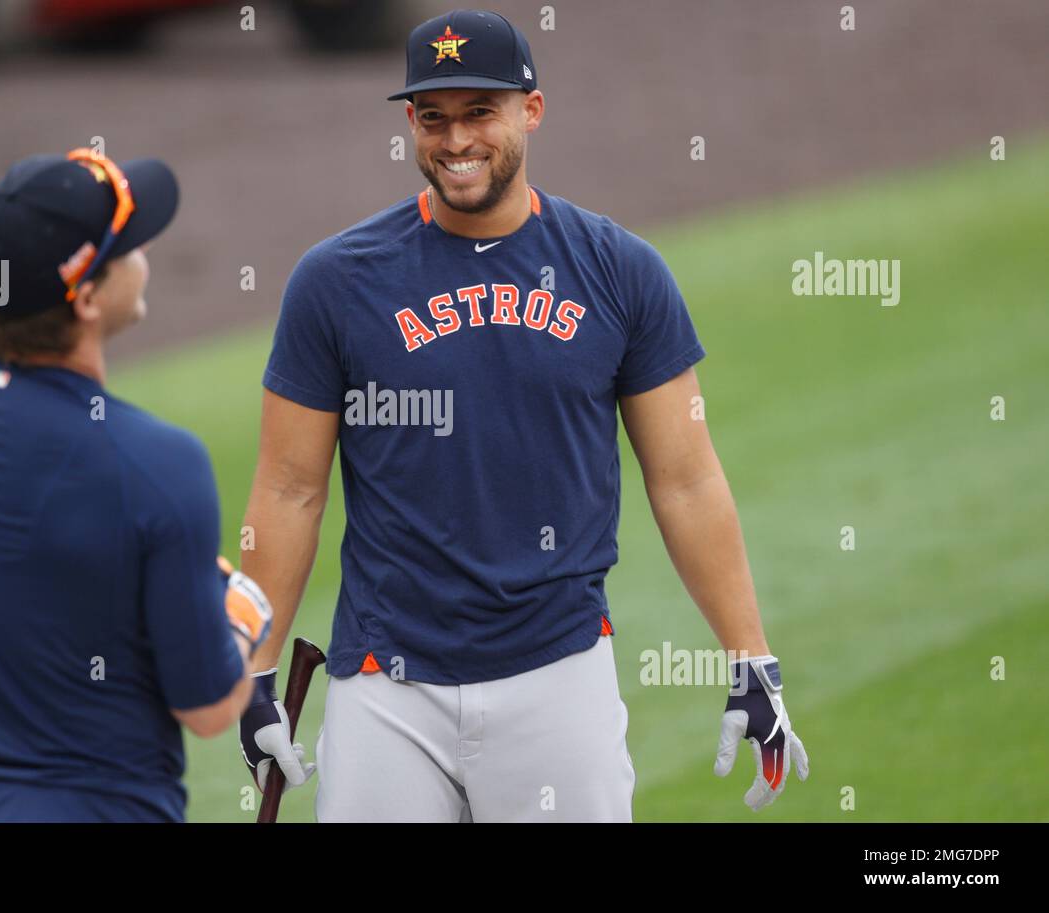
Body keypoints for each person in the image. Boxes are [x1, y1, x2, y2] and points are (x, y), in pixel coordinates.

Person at [238, 9, 808, 822]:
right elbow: (290, 489)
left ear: (530, 111)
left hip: (558, 676)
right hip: (384, 684)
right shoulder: (334, 282)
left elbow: (685, 478)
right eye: (433, 118)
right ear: (410, 125)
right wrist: (258, 672)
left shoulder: (621, 271)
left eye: (480, 112)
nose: (456, 139)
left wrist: (751, 658)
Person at [0, 149, 272, 822]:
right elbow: (207, 708)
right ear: (86, 296)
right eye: (130, 244)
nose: (146, 250)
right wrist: (239, 615)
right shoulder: (160, 463)